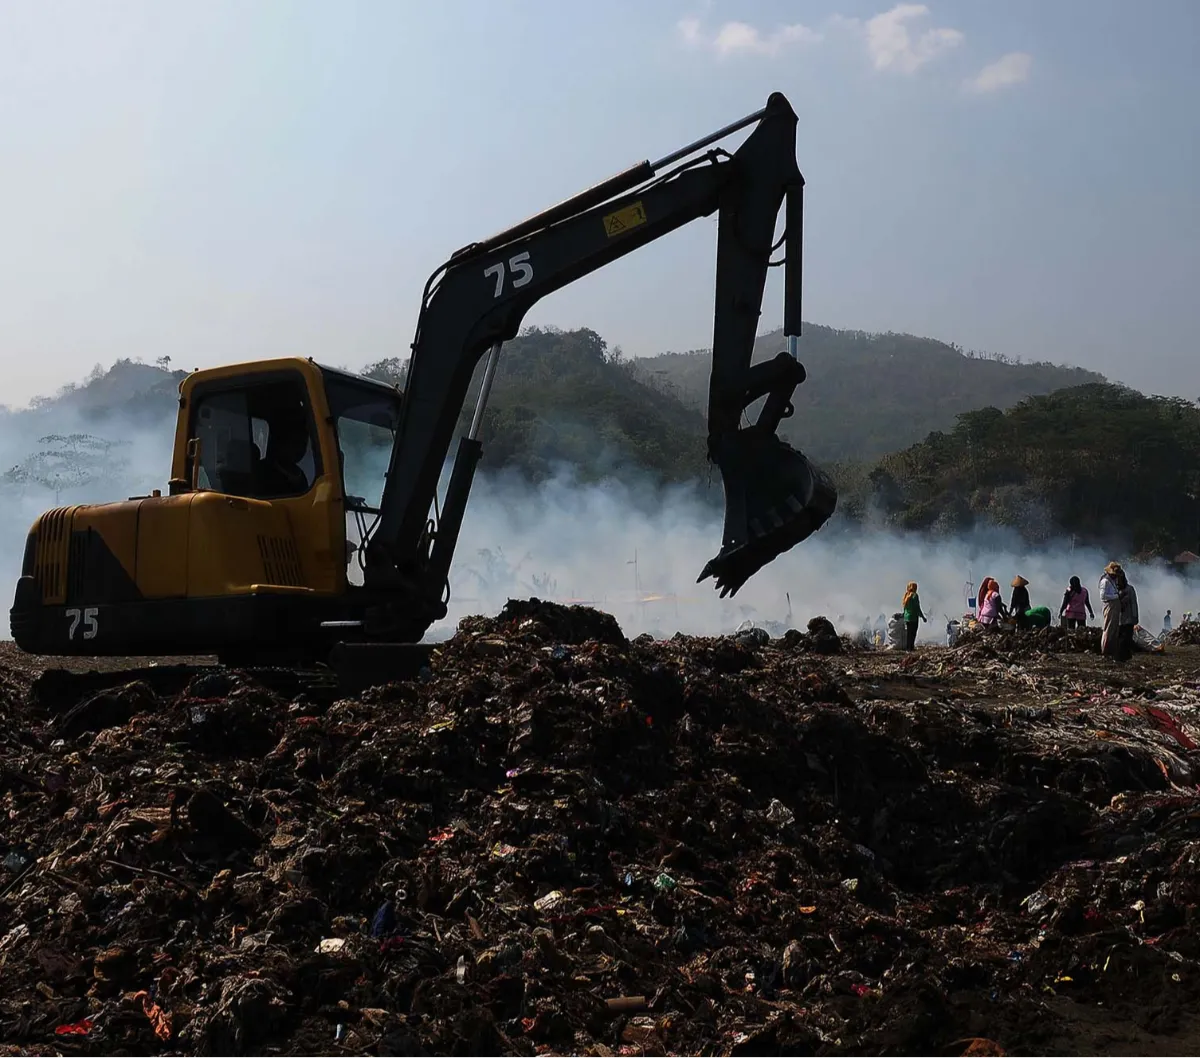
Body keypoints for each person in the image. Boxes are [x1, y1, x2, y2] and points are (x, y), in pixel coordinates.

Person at [1099, 562, 1122, 657]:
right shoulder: (1105, 581)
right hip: (1110, 606)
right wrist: (1116, 596)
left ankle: (1111, 649)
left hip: (1114, 605)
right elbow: (1103, 596)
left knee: (1114, 628)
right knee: (1108, 628)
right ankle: (1105, 650)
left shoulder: (1112, 581)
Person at [1116, 569, 1138, 662]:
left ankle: (1123, 657)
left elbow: (1134, 604)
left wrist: (1135, 617)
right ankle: (1122, 656)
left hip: (1128, 618)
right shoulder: (1116, 591)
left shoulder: (1130, 589)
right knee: (1121, 638)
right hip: (1119, 619)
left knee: (1126, 638)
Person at [902, 581, 927, 650]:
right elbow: (917, 608)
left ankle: (908, 648)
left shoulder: (906, 595)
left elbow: (904, 608)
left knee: (908, 633)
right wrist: (923, 617)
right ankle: (911, 648)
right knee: (913, 633)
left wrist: (904, 615)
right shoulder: (915, 595)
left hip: (907, 618)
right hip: (913, 618)